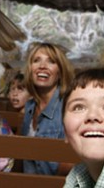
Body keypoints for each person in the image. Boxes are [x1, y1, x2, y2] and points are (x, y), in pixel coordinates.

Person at [21, 42, 75, 175]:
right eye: (36, 61)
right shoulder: (29, 107)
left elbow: (71, 161)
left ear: (60, 72)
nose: (42, 66)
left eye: (51, 62)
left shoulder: (68, 108)